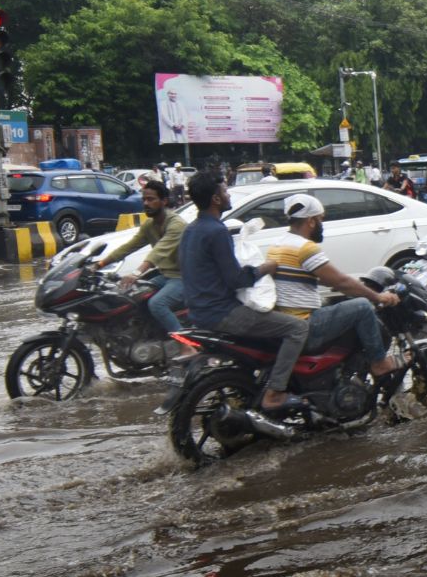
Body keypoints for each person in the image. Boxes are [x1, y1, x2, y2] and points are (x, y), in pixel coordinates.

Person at [179, 171, 309, 413]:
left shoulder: (191, 230)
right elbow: (235, 280)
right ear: (216, 199)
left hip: (198, 313)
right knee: (297, 328)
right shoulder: (217, 231)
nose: (228, 195)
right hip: (223, 314)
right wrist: (265, 268)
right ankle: (275, 392)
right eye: (225, 191)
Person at [267, 194, 409, 377]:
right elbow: (340, 281)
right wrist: (378, 296)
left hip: (286, 321)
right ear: (311, 221)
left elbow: (324, 278)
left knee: (339, 303)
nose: (321, 224)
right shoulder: (305, 248)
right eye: (320, 219)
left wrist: (351, 285)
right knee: (363, 307)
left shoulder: (278, 245)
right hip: (305, 323)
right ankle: (379, 362)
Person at [95, 179, 189, 349]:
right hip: (165, 276)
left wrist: (136, 273)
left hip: (183, 278)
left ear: (164, 201)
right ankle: (147, 338)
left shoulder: (177, 225)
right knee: (129, 295)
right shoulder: (150, 225)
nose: (146, 203)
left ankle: (186, 345)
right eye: (144, 199)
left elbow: (158, 252)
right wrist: (99, 265)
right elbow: (128, 247)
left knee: (157, 304)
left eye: (151, 199)